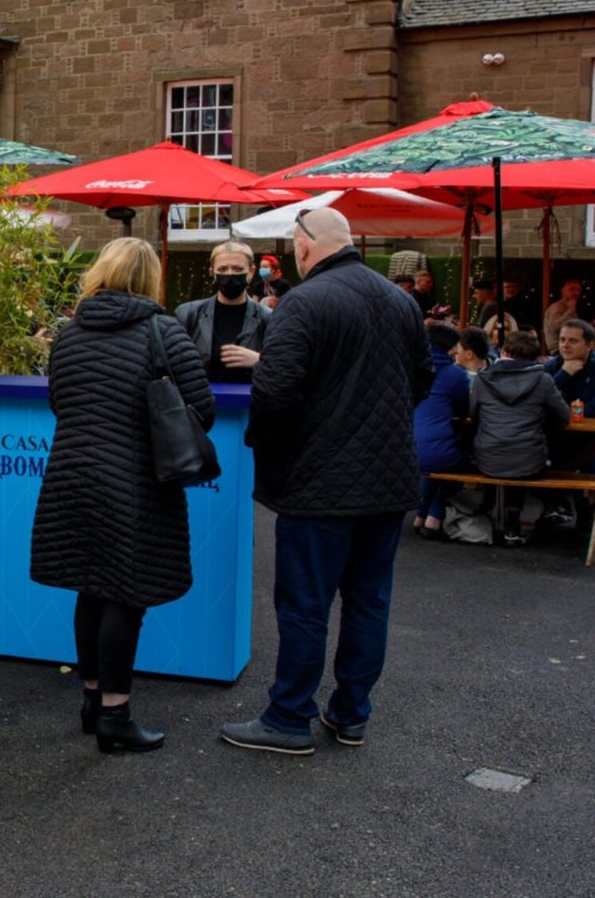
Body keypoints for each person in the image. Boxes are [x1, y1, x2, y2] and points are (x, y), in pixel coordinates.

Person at [220, 207, 432, 756]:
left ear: (307, 247)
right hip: (387, 481)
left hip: (320, 483)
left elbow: (274, 390)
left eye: (295, 244)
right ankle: (351, 713)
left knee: (305, 604)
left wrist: (271, 449)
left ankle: (289, 718)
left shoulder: (305, 302)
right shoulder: (401, 301)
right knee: (368, 602)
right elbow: (422, 380)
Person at [31, 238, 213, 754]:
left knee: (90, 589)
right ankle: (116, 716)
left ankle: (92, 703)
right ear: (149, 278)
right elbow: (200, 409)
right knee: (126, 597)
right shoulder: (163, 330)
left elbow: (57, 401)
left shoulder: (68, 336)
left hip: (72, 475)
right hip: (135, 483)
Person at [472, 329, 570, 546]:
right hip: (528, 457)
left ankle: (500, 517)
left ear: (505, 351)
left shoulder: (482, 379)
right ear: (535, 356)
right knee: (525, 455)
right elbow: (563, 418)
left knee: (512, 453)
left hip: (487, 456)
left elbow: (472, 414)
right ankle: (516, 524)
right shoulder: (544, 380)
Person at [541, 317, 595, 522]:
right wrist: (563, 375)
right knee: (527, 461)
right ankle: (557, 507)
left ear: (590, 345)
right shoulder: (553, 366)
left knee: (593, 471)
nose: (565, 345)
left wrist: (560, 411)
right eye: (562, 340)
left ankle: (586, 522)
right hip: (558, 439)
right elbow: (537, 401)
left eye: (572, 341)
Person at [174, 239, 270, 385]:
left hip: (249, 403)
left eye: (238, 269)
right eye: (222, 269)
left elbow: (285, 365)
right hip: (199, 402)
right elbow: (172, 362)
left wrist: (259, 359)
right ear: (212, 272)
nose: (230, 274)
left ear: (251, 271)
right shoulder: (188, 314)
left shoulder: (267, 317)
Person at [412, 323, 477, 539]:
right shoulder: (454, 374)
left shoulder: (410, 368)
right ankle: (435, 514)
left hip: (407, 447)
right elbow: (463, 409)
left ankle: (421, 515)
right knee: (458, 464)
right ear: (451, 348)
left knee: (436, 461)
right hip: (437, 449)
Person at [542, 279, 589, 352]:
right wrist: (570, 311)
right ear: (563, 290)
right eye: (572, 289)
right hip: (559, 349)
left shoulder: (571, 307)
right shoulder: (557, 306)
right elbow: (554, 327)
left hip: (570, 348)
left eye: (578, 290)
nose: (576, 292)